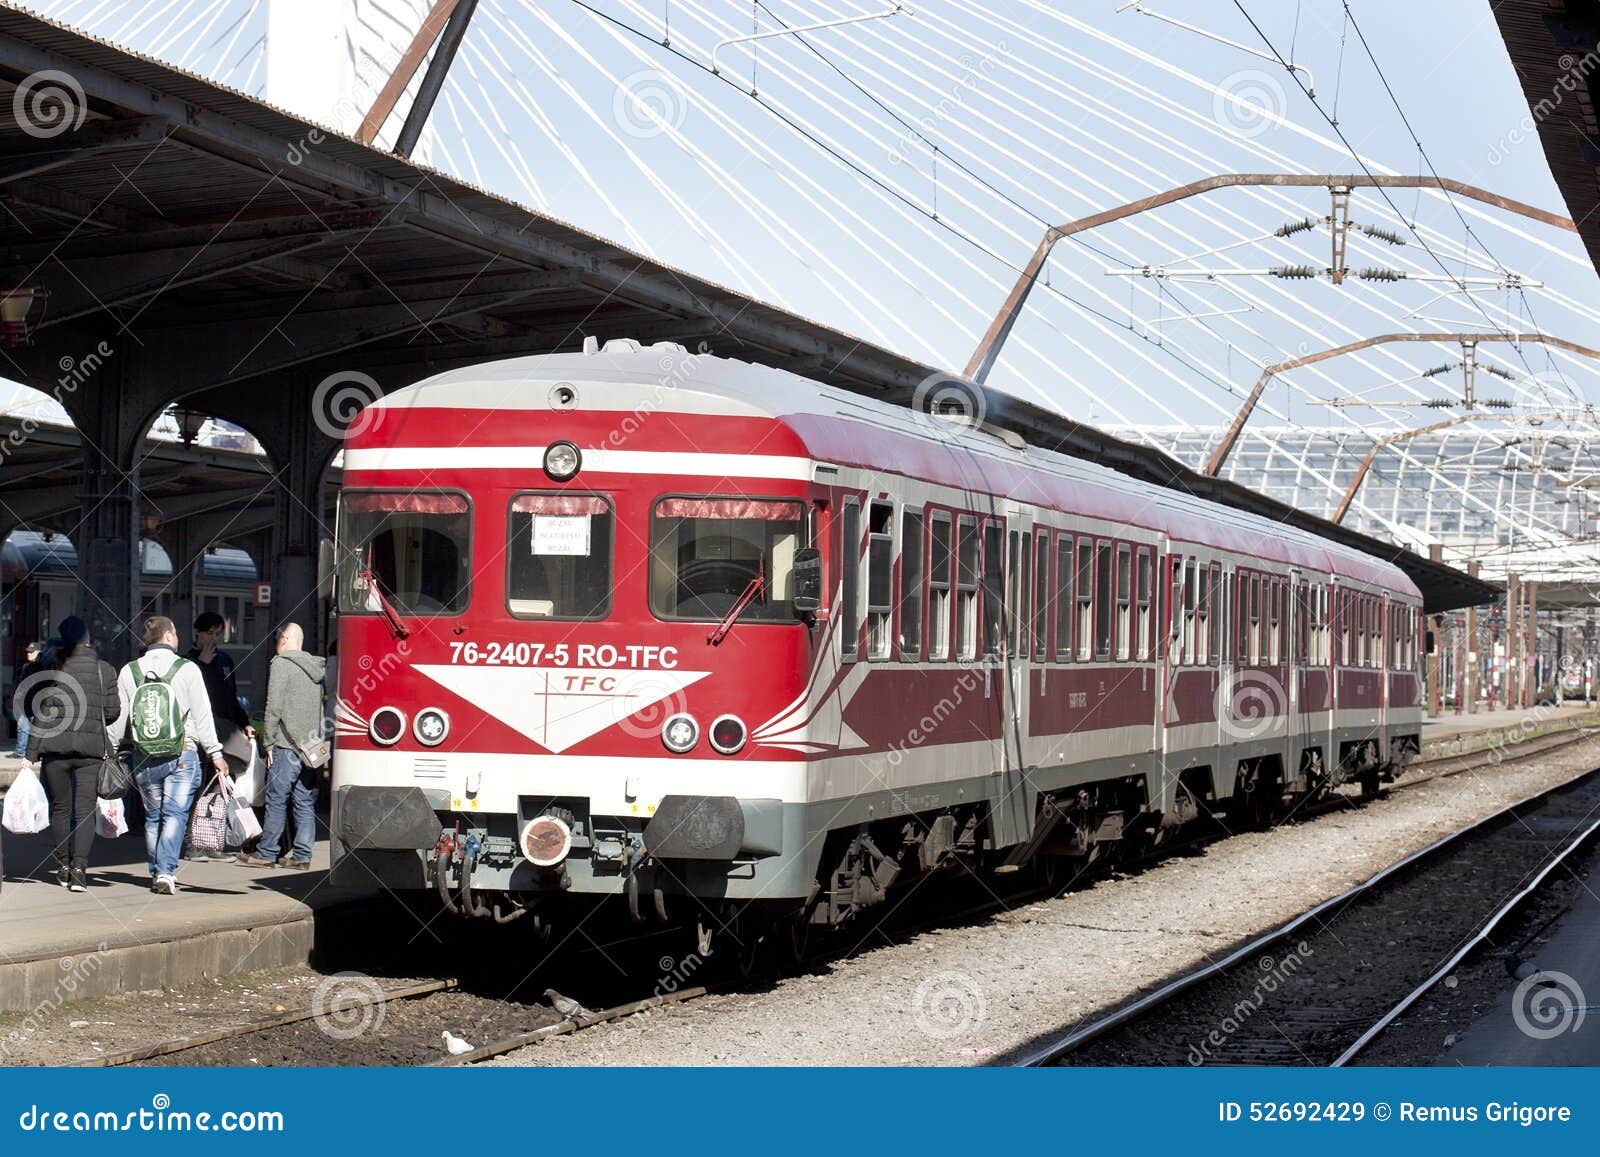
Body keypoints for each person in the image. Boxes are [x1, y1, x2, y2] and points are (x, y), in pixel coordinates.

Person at [106, 615, 229, 895]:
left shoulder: (129, 671)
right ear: (169, 636)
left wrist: (110, 751)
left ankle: (156, 871)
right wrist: (215, 752)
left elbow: (119, 719)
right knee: (175, 814)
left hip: (144, 755)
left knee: (153, 816)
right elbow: (203, 715)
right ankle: (165, 871)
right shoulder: (187, 669)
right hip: (182, 753)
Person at [25, 617, 118, 892]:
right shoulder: (104, 670)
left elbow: (41, 712)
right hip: (91, 751)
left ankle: (63, 867)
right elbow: (112, 712)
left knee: (60, 809)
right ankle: (79, 872)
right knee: (85, 811)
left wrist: (30, 753)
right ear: (89, 640)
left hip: (55, 750)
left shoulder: (53, 668)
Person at [238, 623, 325, 871]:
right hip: (311, 747)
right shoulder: (317, 667)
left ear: (284, 640)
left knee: (276, 799)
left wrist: (268, 742)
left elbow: (274, 707)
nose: (276, 646)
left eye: (277, 640)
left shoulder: (282, 663)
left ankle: (266, 852)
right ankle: (302, 856)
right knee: (304, 801)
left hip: (286, 745)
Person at [185, 612, 254, 862]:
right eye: (209, 633)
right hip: (198, 733)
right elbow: (197, 698)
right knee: (196, 789)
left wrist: (244, 723)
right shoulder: (188, 661)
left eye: (217, 633)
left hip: (223, 732)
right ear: (197, 633)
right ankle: (192, 844)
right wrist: (204, 665)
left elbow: (230, 697)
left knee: (218, 790)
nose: (213, 638)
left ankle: (212, 842)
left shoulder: (225, 660)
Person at [10, 640, 43, 757]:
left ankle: (31, 751)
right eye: (28, 652)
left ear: (38, 652)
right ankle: (21, 750)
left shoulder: (41, 666)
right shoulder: (25, 667)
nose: (28, 654)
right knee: (22, 726)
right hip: (25, 701)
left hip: (36, 701)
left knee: (35, 728)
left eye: (31, 652)